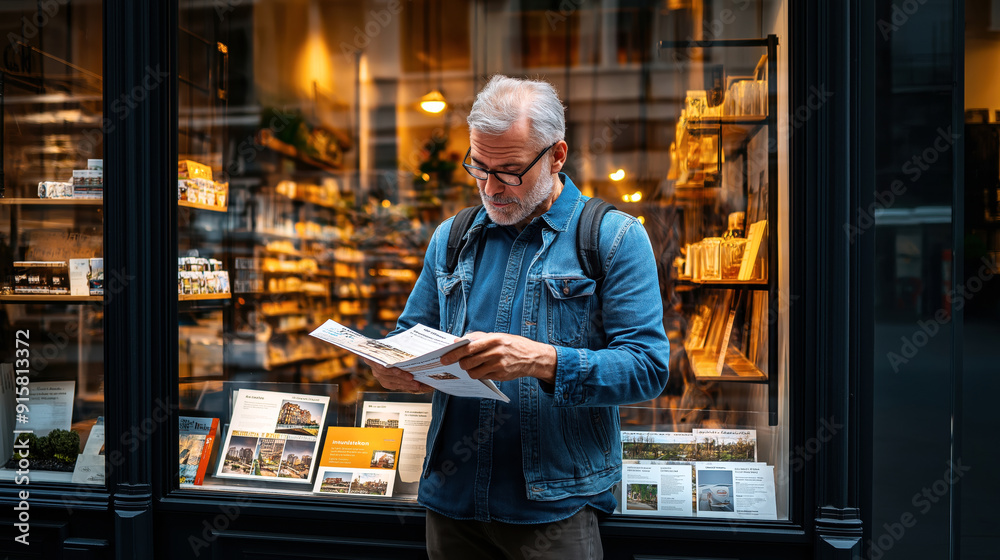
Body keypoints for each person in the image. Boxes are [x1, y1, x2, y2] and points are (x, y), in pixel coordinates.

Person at [365, 74, 670, 560]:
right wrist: (394, 366)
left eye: (509, 171)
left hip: (554, 511)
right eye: (478, 167)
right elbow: (409, 334)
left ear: (556, 155)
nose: (490, 187)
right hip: (451, 503)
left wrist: (545, 361)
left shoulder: (613, 238)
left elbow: (648, 368)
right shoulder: (451, 236)